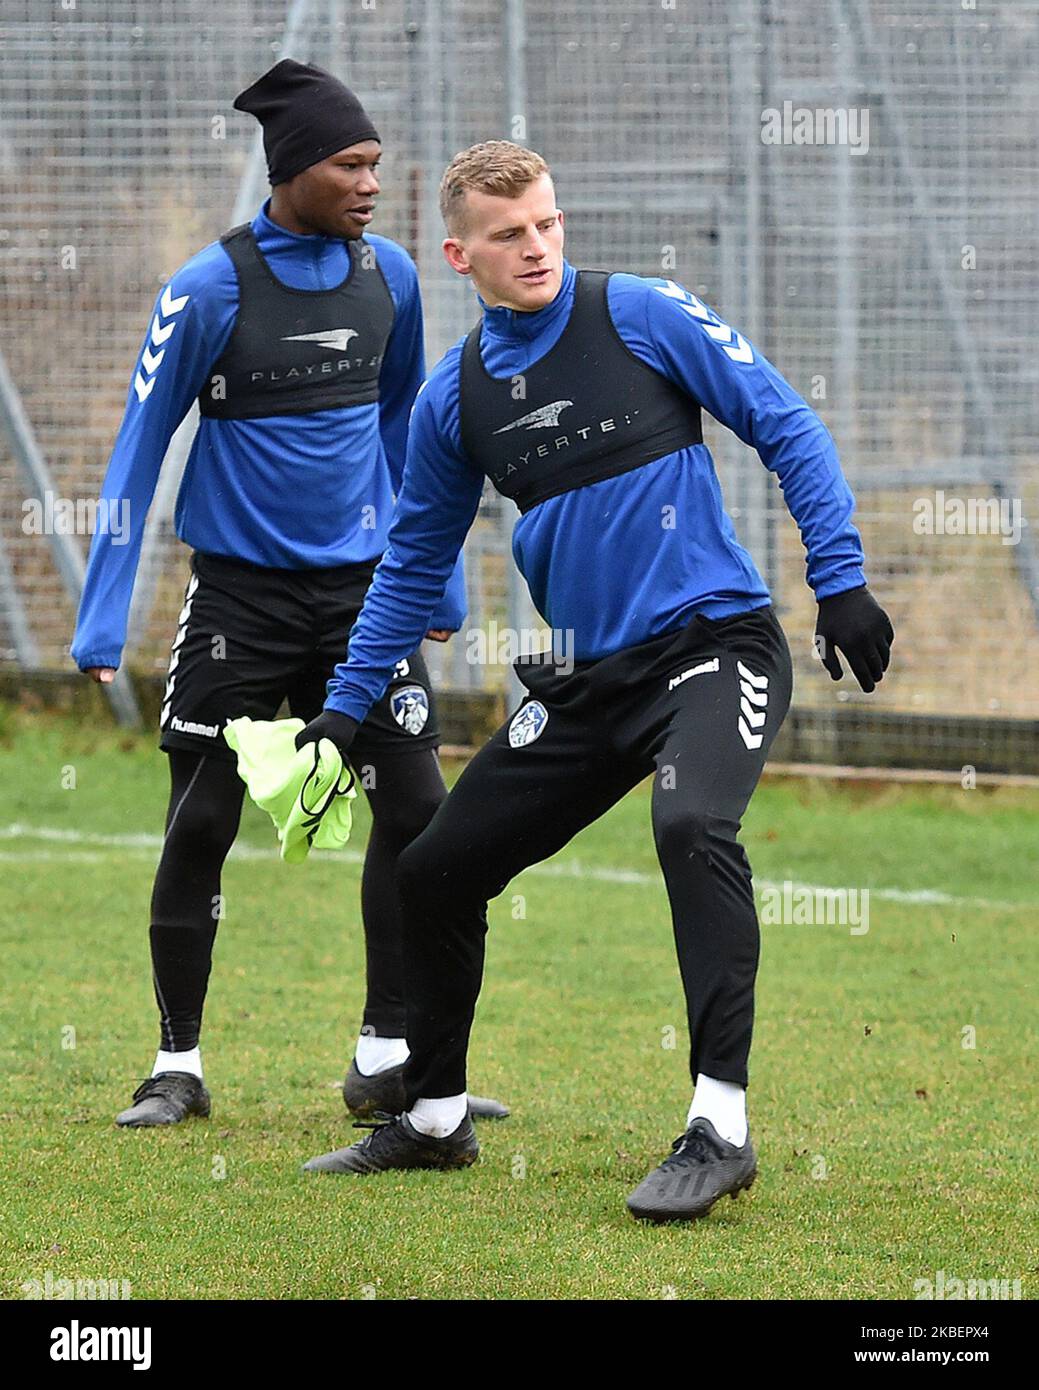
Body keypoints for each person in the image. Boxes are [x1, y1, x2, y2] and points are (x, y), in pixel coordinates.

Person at [294, 141, 892, 1218]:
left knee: (689, 828)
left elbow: (784, 424)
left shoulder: (642, 313)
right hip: (588, 686)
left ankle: (720, 1128)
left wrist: (837, 577)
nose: (536, 249)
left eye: (548, 225)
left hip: (712, 648)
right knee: (434, 873)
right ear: (459, 253)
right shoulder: (455, 399)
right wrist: (341, 713)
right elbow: (410, 567)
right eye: (510, 234)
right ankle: (432, 1119)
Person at [70, 63, 506, 1130]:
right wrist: (101, 612)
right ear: (294, 169)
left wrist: (437, 575)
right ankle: (177, 1064)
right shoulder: (208, 289)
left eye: (373, 164)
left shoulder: (393, 277)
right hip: (239, 604)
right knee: (203, 821)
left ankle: (387, 1056)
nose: (370, 182)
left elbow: (413, 430)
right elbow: (138, 451)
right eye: (348, 165)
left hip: (368, 600)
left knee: (417, 814)